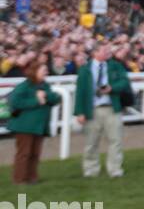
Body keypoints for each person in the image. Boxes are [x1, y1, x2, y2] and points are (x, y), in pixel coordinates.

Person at [74, 42, 130, 178]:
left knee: (115, 140)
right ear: (95, 53)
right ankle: (91, 169)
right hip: (92, 109)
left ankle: (115, 169)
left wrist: (112, 88)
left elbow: (125, 82)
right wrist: (79, 112)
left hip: (111, 107)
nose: (108, 52)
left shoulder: (115, 66)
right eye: (105, 50)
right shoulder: (85, 69)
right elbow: (80, 92)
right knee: (91, 141)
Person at [6, 59, 61, 184]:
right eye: (43, 70)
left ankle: (32, 177)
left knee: (35, 153)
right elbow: (15, 102)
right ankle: (19, 178)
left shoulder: (44, 85)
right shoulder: (24, 86)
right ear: (35, 71)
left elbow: (55, 98)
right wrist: (36, 101)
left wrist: (45, 97)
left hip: (39, 126)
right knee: (24, 153)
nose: (46, 72)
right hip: (24, 126)